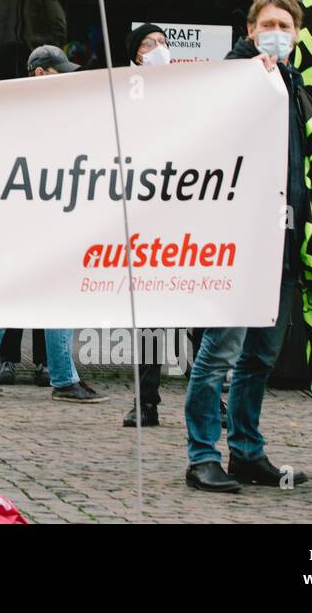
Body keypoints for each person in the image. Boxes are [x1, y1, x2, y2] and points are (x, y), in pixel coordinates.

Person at [183, 0, 309, 493]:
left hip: (281, 239)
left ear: (297, 36)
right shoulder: (230, 77)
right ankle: (201, 456)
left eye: (286, 27)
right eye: (269, 25)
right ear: (252, 29)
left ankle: (247, 452)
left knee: (259, 357)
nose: (277, 34)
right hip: (237, 242)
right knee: (219, 353)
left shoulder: (294, 83)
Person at [0, 45, 104, 403]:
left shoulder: (29, 109)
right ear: (40, 73)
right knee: (56, 291)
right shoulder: (35, 112)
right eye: (58, 72)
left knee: (21, 290)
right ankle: (63, 379)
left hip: (28, 213)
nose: (65, 78)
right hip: (38, 213)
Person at [0, 44, 79, 388]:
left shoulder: (63, 110)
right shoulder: (16, 107)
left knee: (45, 285)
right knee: (18, 286)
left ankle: (44, 362)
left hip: (50, 208)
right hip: (21, 207)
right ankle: (8, 360)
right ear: (41, 73)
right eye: (59, 72)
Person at [121, 23, 172, 428]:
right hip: (146, 216)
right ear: (136, 54)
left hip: (186, 212)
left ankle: (211, 399)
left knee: (200, 311)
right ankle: (146, 400)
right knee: (150, 316)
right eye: (148, 44)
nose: (157, 49)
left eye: (162, 43)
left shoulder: (184, 89)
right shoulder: (126, 92)